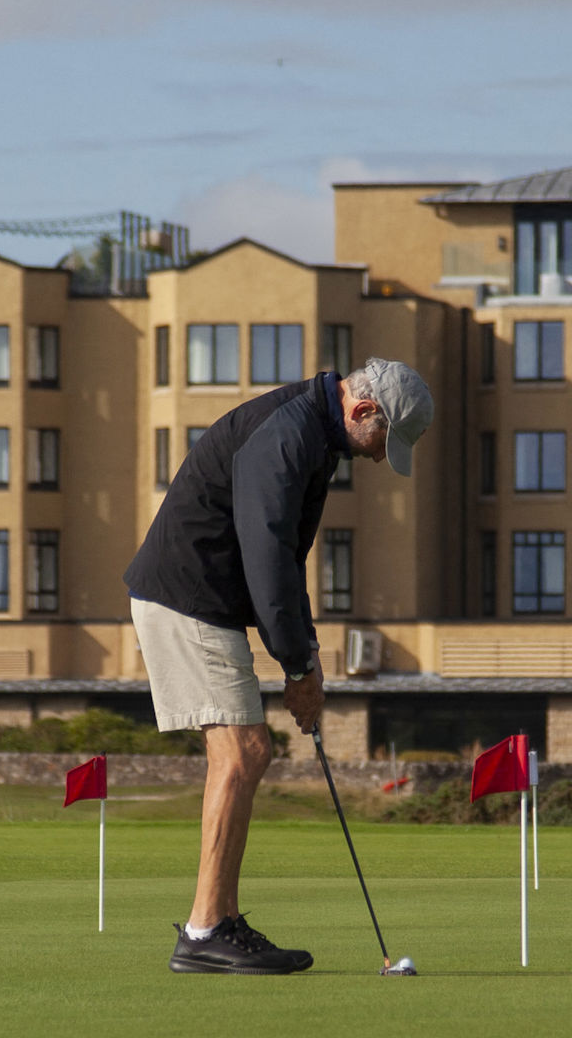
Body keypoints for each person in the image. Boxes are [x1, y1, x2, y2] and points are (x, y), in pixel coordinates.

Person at [124, 354, 436, 973]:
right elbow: (267, 555)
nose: (378, 457)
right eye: (381, 440)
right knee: (243, 754)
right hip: (187, 596)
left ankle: (217, 921)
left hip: (200, 598)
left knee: (245, 754)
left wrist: (307, 657)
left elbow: (287, 559)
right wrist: (296, 669)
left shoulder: (314, 434)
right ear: (363, 409)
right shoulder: (291, 435)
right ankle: (206, 928)